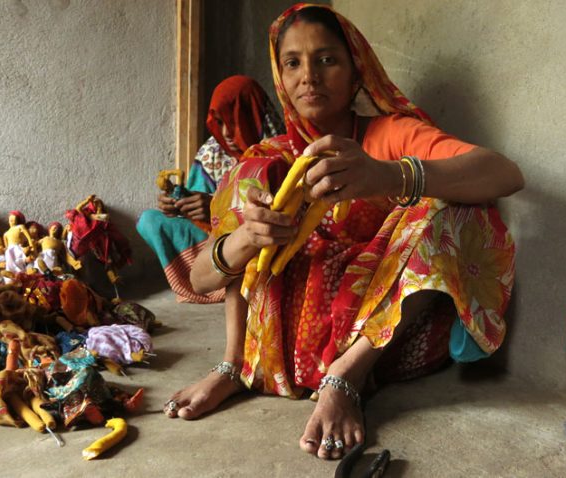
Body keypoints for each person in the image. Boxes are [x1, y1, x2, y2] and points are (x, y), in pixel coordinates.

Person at [163, 4, 524, 461]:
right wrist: (249, 237)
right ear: (280, 78)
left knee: (453, 207)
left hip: (382, 343)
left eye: (326, 59)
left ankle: (346, 378)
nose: (308, 76)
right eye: (292, 63)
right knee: (250, 175)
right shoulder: (272, 156)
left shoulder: (390, 133)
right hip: (279, 349)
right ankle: (233, 366)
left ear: (357, 73)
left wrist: (388, 176)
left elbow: (505, 174)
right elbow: (201, 281)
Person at [137, 75, 284, 303]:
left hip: (259, 243)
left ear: (253, 116)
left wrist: (216, 207)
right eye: (219, 122)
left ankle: (236, 284)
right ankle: (210, 282)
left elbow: (280, 213)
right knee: (149, 220)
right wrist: (178, 204)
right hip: (213, 245)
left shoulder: (281, 151)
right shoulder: (213, 152)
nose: (225, 133)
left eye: (233, 121)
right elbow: (195, 207)